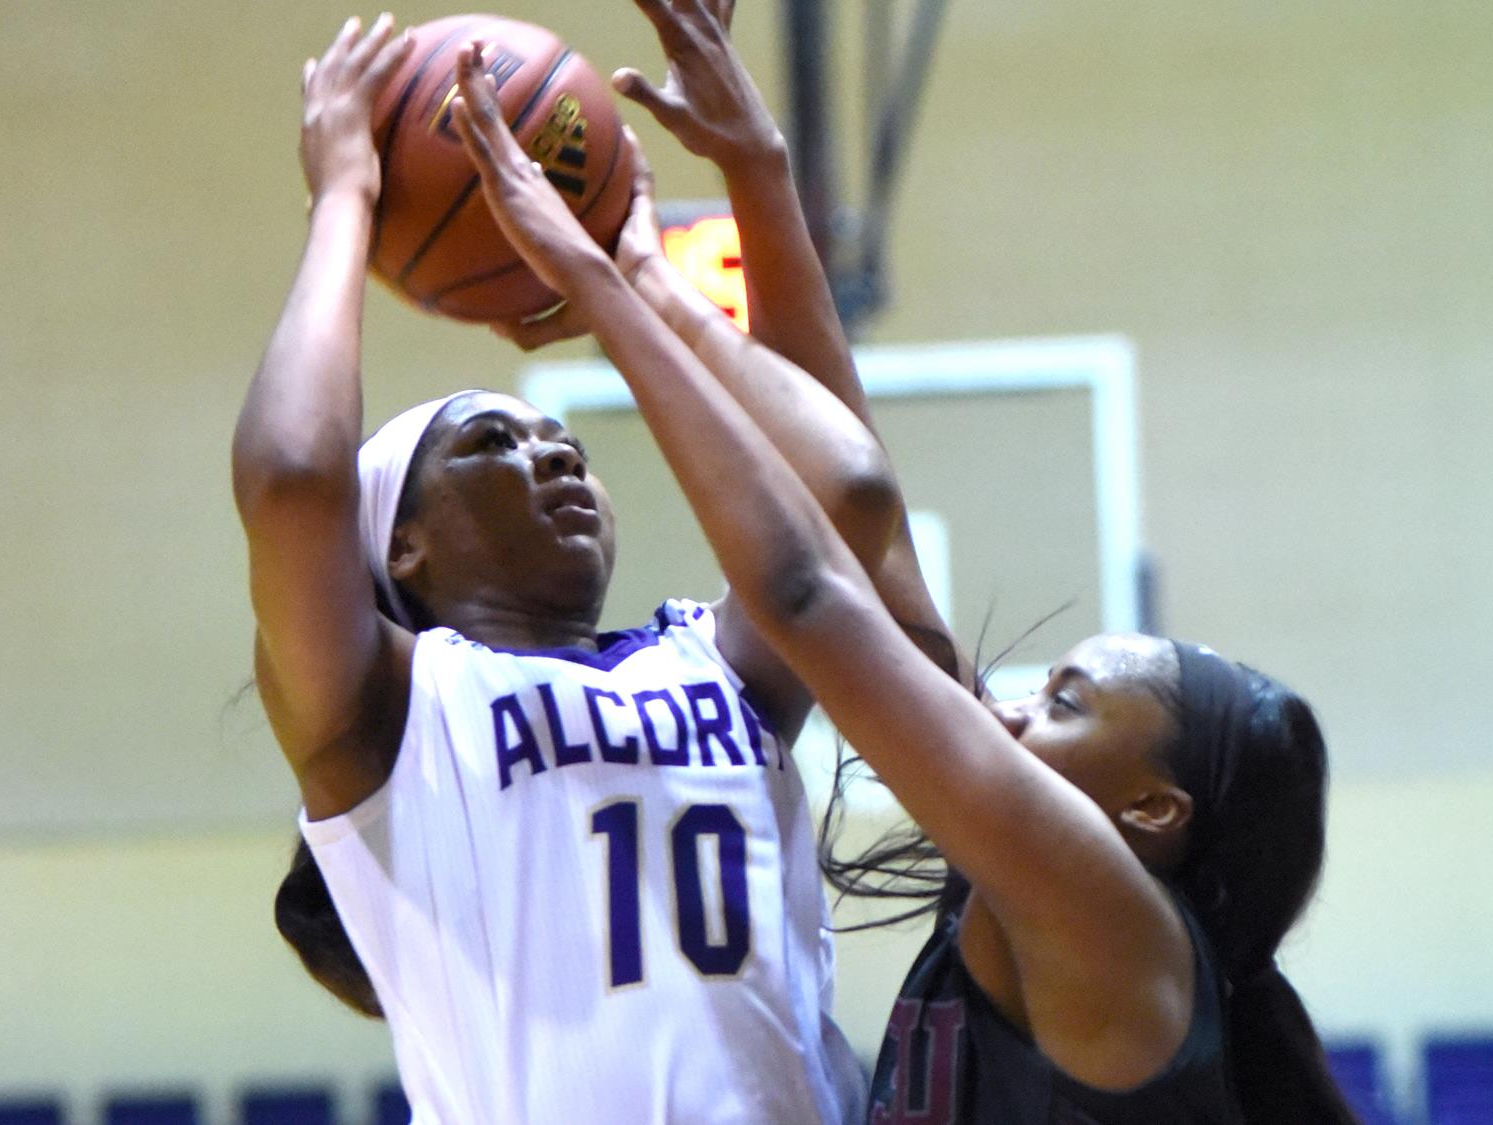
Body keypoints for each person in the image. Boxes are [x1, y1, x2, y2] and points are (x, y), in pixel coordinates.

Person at [444, 32, 1360, 1124]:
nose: (1008, 707)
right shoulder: (1034, 887)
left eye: (1063, 702)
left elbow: (806, 594)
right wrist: (754, 180)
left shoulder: (1111, 922)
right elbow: (858, 531)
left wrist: (612, 286)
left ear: (1149, 810)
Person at [235, 9, 925, 1121]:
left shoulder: (712, 662)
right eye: (488, 443)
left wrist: (704, 221)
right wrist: (345, 200)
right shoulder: (389, 720)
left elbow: (842, 495)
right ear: (395, 543)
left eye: (558, 439)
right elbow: (290, 480)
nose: (549, 445)